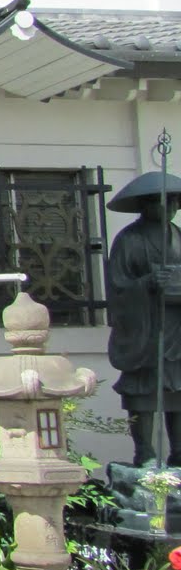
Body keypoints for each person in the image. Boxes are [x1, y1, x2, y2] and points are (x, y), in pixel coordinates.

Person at [105, 171, 181, 467]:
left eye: (175, 202)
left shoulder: (178, 236)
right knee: (143, 391)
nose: (172, 208)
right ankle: (145, 452)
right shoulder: (129, 240)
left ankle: (178, 453)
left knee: (177, 391)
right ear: (146, 205)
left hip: (176, 324)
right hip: (144, 330)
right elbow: (118, 285)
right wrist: (148, 282)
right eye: (165, 202)